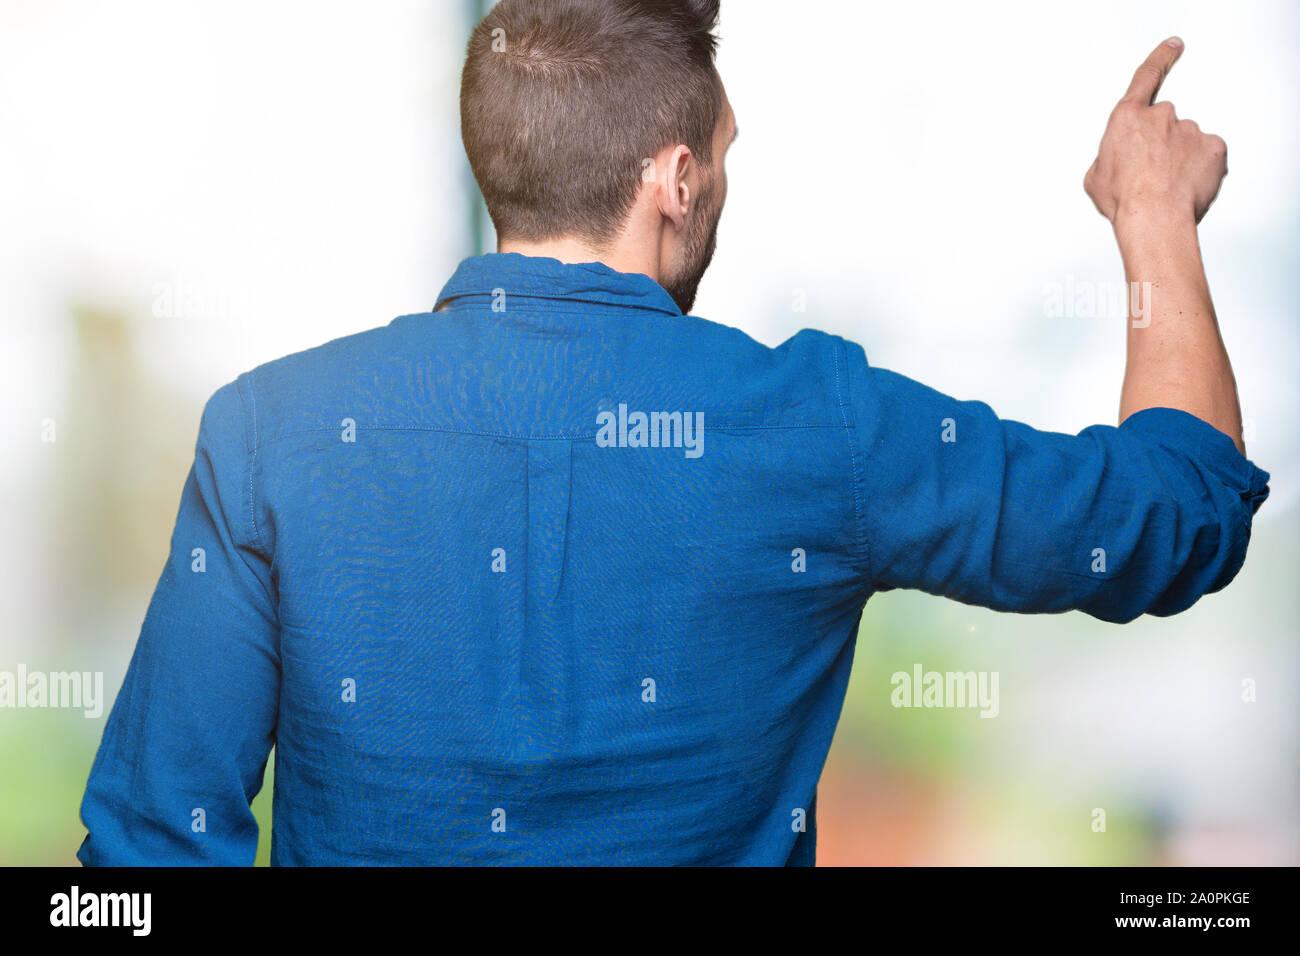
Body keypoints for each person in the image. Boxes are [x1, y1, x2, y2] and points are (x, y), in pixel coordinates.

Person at [77, 1, 1269, 866]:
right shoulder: (823, 424)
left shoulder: (267, 435)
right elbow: (1179, 510)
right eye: (728, 155)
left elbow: (138, 858)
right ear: (677, 179)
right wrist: (1154, 213)